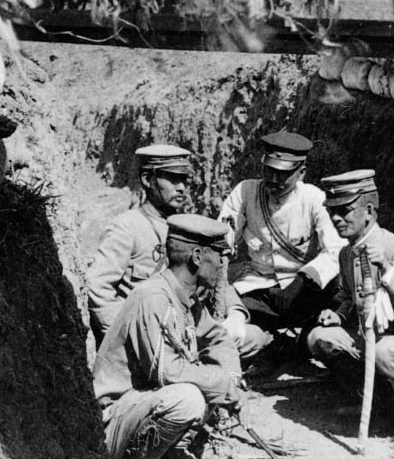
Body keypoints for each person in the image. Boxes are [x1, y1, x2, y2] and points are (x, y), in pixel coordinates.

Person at [92, 214, 245, 459]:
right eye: (219, 256)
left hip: (139, 406)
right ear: (197, 257)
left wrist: (230, 377)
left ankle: (170, 457)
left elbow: (218, 338)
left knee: (204, 382)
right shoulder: (153, 297)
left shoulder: (183, 296)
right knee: (188, 397)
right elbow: (166, 373)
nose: (223, 266)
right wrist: (220, 384)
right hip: (112, 418)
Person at [87, 144, 262, 359]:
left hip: (188, 330)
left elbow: (215, 277)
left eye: (184, 180)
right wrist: (127, 338)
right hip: (150, 335)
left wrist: (234, 312)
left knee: (252, 336)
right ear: (147, 179)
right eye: (172, 179)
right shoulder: (126, 227)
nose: (181, 188)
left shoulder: (188, 226)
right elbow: (99, 290)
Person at [307, 169, 394, 452]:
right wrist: (339, 315)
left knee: (385, 351)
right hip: (369, 342)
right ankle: (374, 400)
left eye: (345, 211)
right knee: (320, 338)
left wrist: (389, 272)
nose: (336, 219)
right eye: (332, 212)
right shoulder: (347, 253)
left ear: (368, 211)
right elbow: (348, 294)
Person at [218, 131, 344, 350]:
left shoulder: (314, 199)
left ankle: (295, 343)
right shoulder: (246, 192)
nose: (274, 179)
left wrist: (301, 282)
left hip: (303, 288)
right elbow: (222, 238)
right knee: (235, 310)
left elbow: (335, 250)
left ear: (301, 173)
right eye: (269, 170)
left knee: (329, 302)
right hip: (260, 286)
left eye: (283, 174)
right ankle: (276, 343)